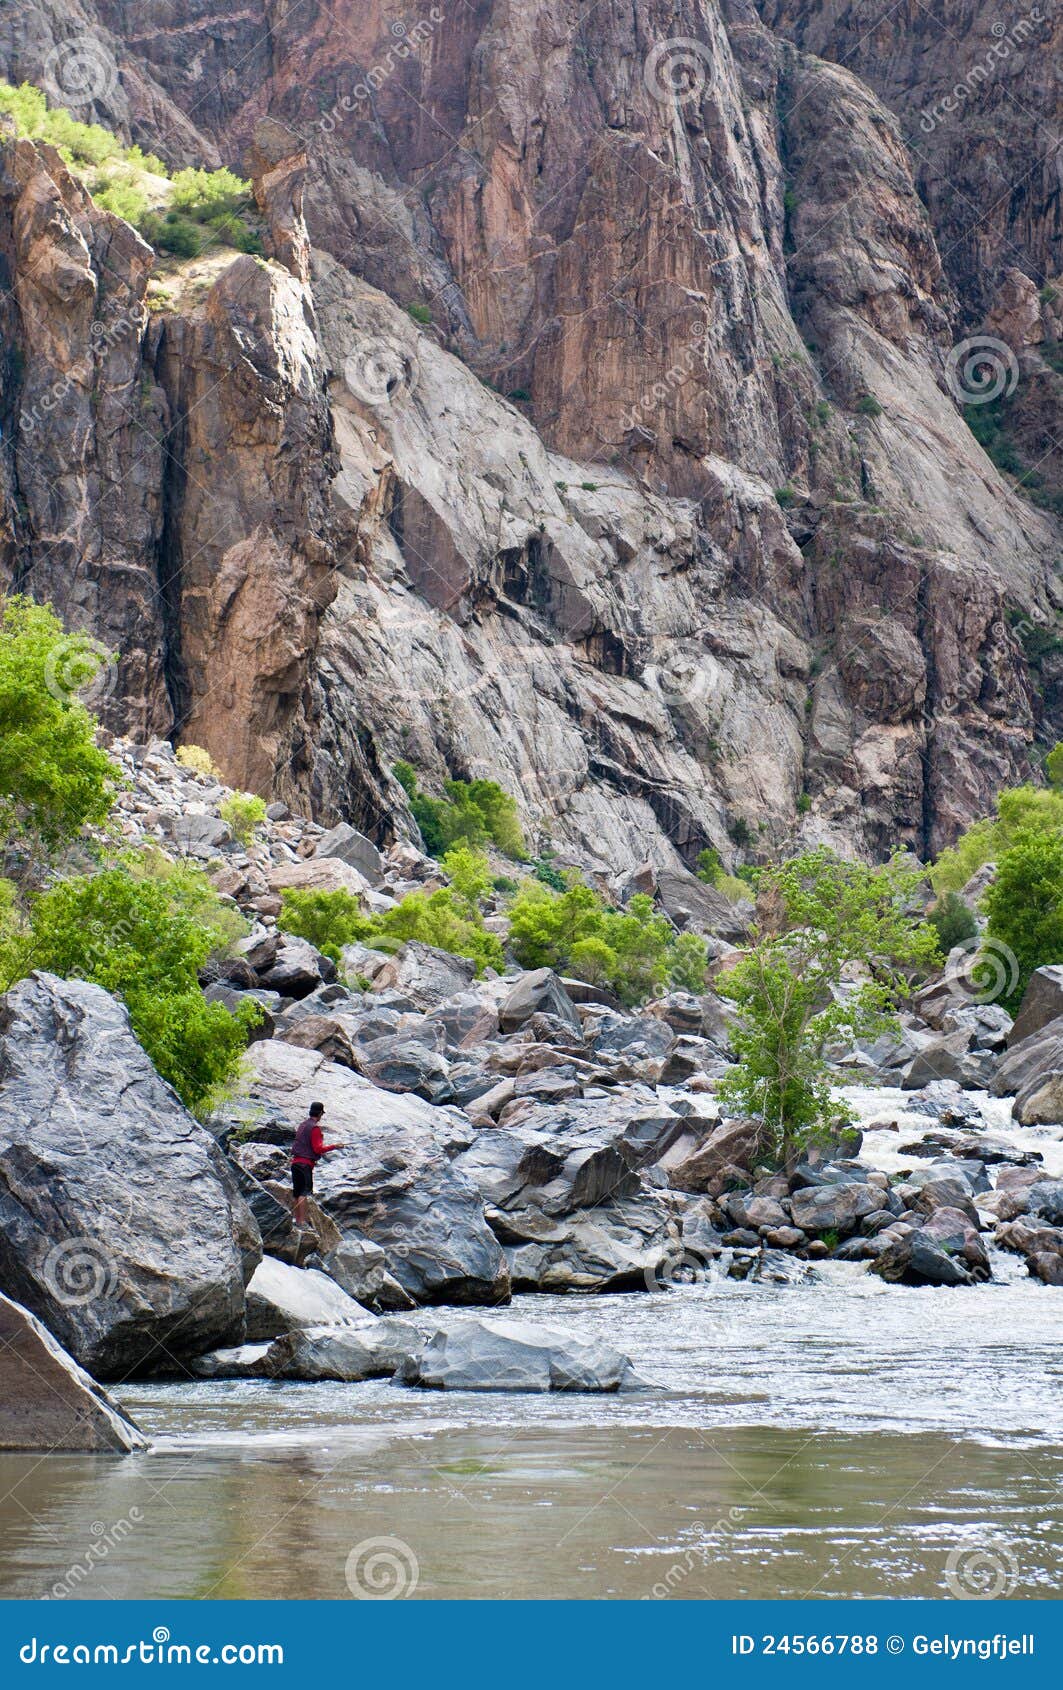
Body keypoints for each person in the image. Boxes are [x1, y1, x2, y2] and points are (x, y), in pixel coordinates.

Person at [290, 1101, 342, 1229]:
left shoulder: (302, 1125)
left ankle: (297, 1221)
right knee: (303, 1193)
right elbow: (318, 1149)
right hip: (305, 1165)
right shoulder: (314, 1128)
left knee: (297, 1193)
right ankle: (301, 1223)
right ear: (319, 1114)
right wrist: (335, 1146)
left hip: (295, 1163)